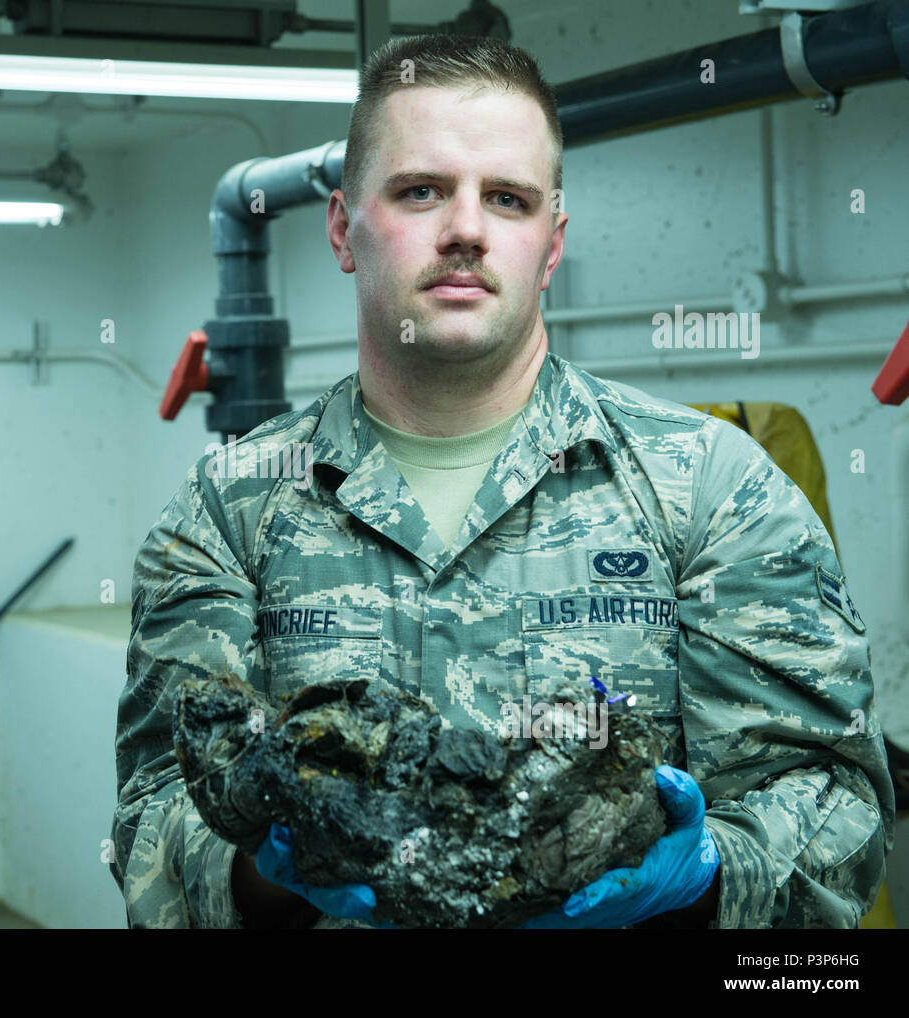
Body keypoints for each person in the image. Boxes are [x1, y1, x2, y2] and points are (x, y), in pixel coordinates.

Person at [110, 32, 896, 929]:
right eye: (420, 191)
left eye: (509, 200)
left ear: (550, 245)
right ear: (341, 227)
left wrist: (710, 876)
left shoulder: (712, 489)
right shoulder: (226, 511)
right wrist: (261, 876)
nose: (467, 230)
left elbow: (836, 807)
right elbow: (147, 825)